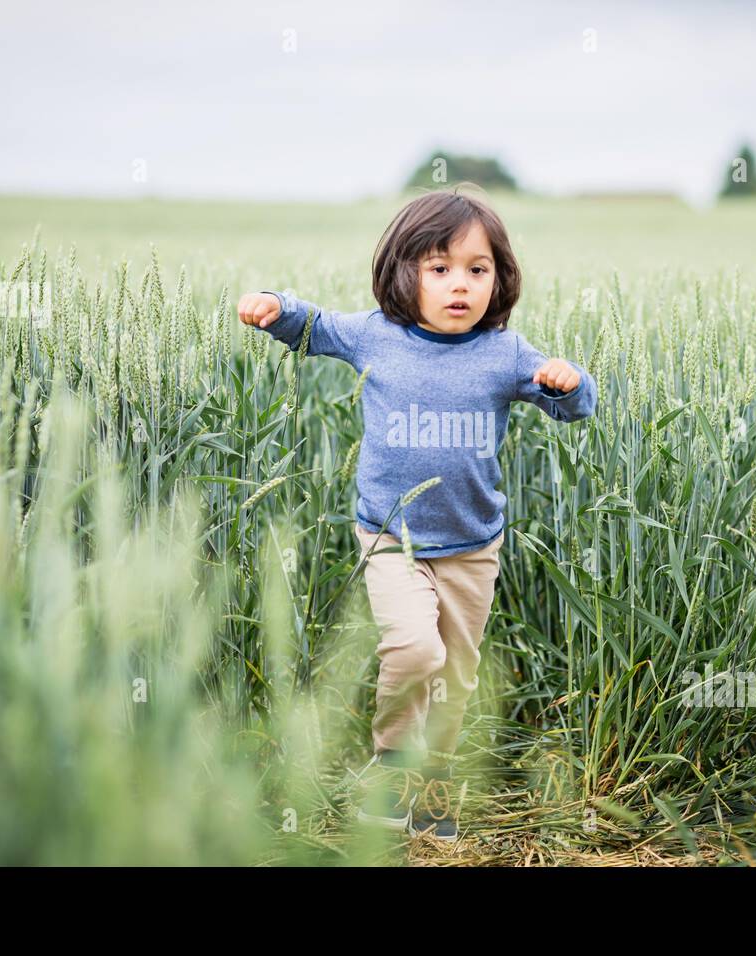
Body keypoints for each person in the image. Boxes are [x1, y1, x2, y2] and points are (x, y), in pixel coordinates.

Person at [238, 186, 597, 841]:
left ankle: (431, 785)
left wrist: (569, 381)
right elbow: (313, 328)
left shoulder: (505, 354)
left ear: (500, 278)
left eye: (477, 269)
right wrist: (275, 308)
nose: (460, 284)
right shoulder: (379, 337)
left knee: (456, 673)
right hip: (390, 536)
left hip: (470, 545)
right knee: (414, 647)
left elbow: (573, 408)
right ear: (404, 272)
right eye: (440, 268)